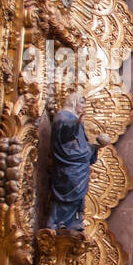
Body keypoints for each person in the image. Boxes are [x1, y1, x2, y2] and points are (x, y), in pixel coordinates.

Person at [47, 92, 109, 232]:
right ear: (73, 102)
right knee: (67, 189)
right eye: (82, 102)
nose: (84, 106)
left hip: (79, 166)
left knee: (78, 195)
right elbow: (63, 137)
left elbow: (80, 146)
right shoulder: (63, 116)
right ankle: (57, 221)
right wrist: (74, 124)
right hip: (68, 165)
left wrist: (94, 147)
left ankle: (74, 222)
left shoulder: (75, 119)